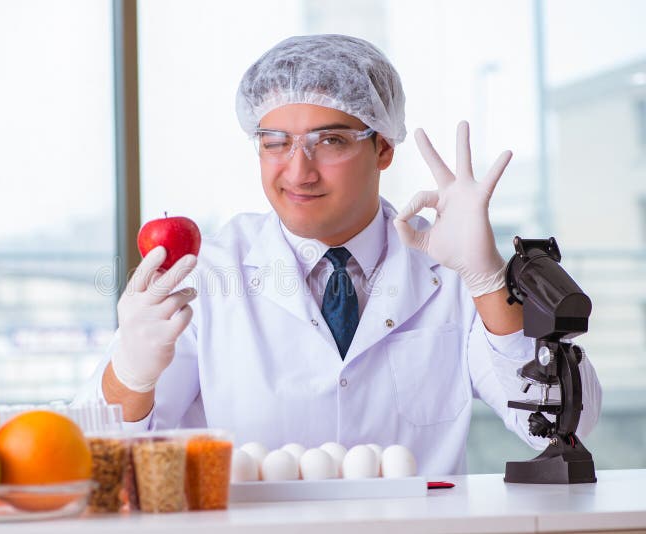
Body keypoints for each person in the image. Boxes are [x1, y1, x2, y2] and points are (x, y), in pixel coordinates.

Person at [75, 34, 601, 475]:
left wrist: (488, 283)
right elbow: (99, 459)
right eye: (275, 141)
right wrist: (133, 372)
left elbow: (566, 425)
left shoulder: (449, 265)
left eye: (329, 141)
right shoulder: (211, 272)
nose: (298, 170)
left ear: (383, 149)